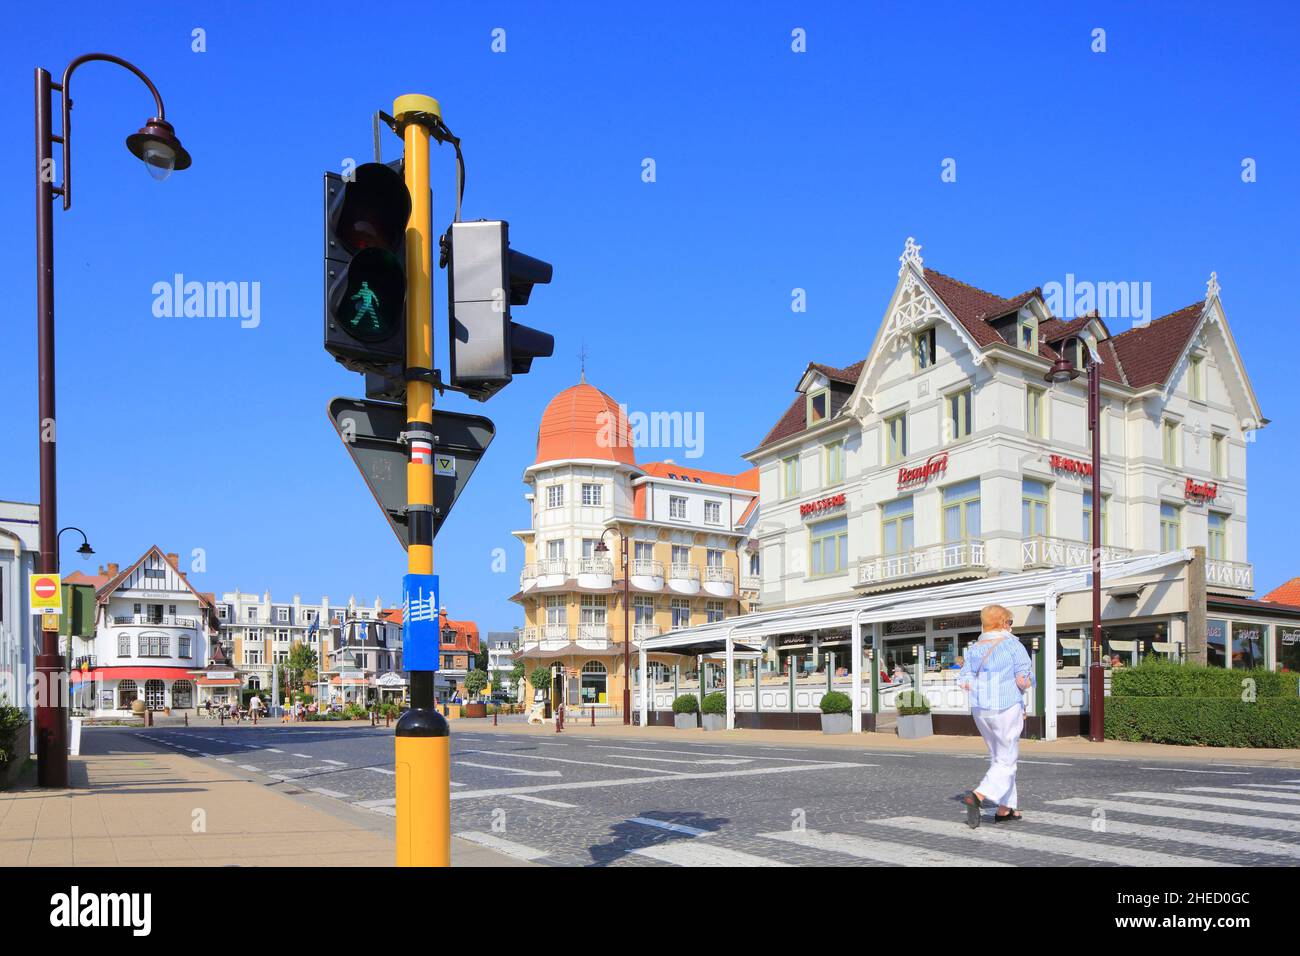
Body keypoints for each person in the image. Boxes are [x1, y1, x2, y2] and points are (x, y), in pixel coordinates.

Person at [957, 604, 1034, 829]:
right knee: (1007, 758)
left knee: (999, 756)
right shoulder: (1013, 645)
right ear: (1003, 622)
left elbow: (964, 680)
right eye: (1009, 622)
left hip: (981, 710)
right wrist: (1030, 683)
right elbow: (1023, 679)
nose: (1011, 626)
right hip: (1006, 706)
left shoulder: (975, 647)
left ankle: (1005, 808)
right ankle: (979, 795)